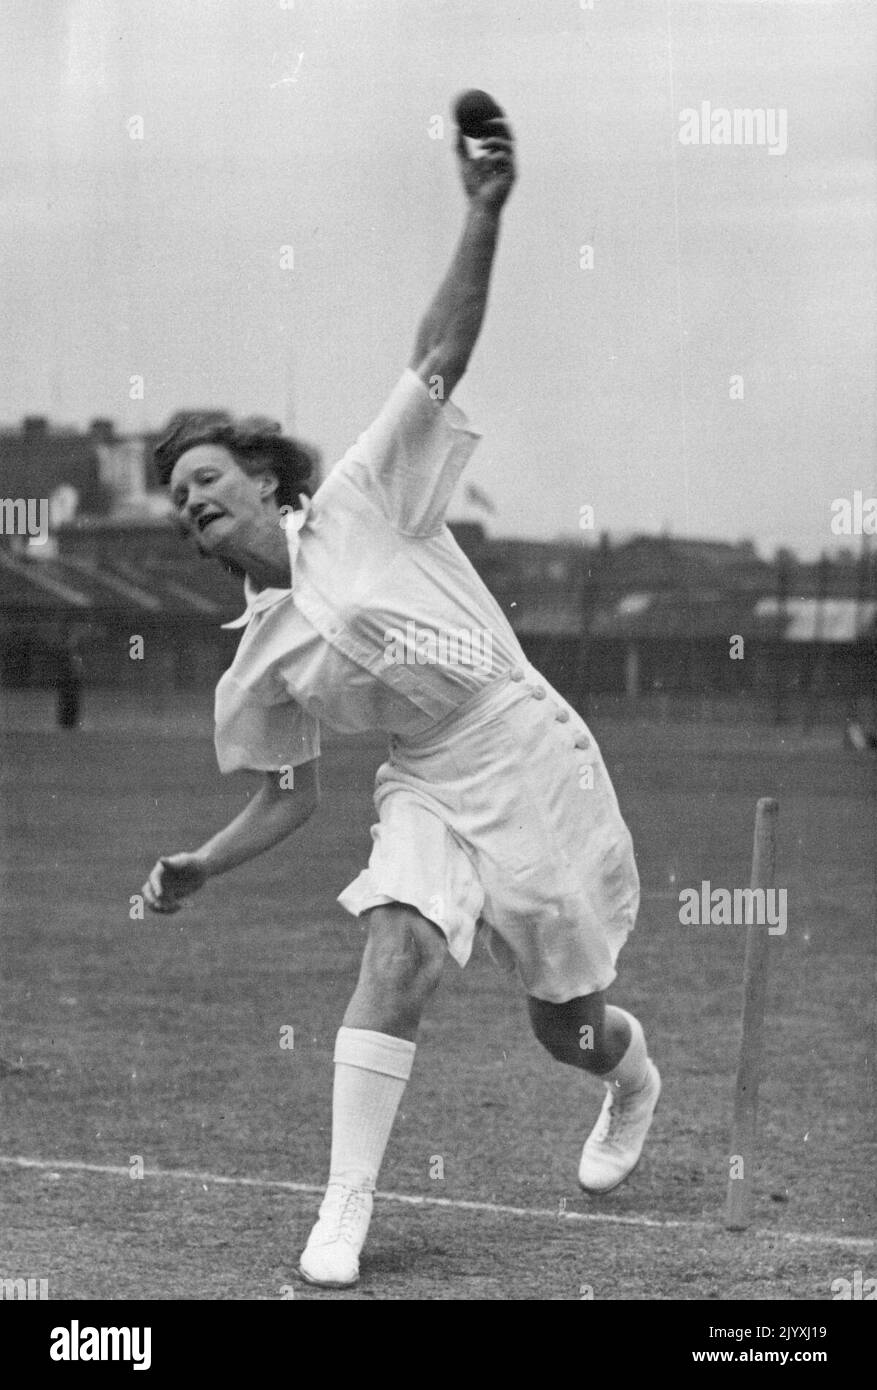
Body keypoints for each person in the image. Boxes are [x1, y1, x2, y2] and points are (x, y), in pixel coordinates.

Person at [142, 109, 659, 1289]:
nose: (190, 502)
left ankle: (629, 1077)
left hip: (522, 748)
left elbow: (440, 351)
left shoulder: (370, 493)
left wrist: (481, 211)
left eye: (206, 478)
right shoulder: (259, 656)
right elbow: (288, 796)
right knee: (399, 950)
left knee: (563, 1026)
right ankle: (345, 1207)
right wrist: (197, 865)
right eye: (177, 499)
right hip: (424, 777)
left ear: (266, 480)